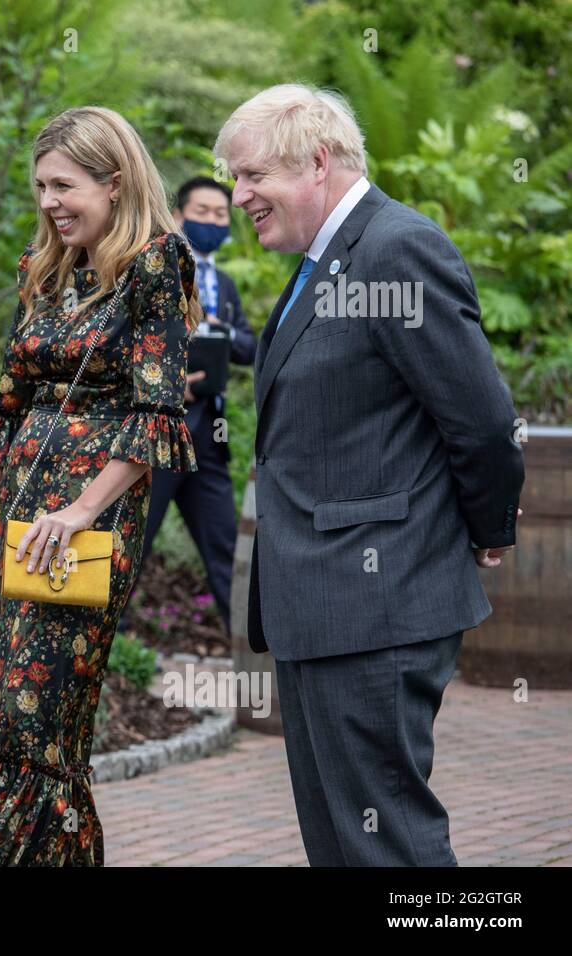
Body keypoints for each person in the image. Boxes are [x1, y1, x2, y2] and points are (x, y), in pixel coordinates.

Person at [217, 84, 525, 865]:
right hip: (323, 607)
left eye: (252, 175)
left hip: (375, 606)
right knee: (344, 846)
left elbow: (481, 419)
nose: (238, 195)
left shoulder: (395, 248)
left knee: (389, 848)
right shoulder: (326, 261)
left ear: (317, 161)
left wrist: (487, 528)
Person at [0, 106, 198, 866]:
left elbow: (157, 419)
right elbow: (3, 417)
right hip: (22, 514)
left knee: (40, 717)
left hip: (89, 520)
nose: (49, 202)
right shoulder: (45, 268)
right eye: (41, 186)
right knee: (3, 713)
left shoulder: (156, 264)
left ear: (115, 182)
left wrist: (78, 512)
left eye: (65, 186)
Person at [140, 175, 257, 631]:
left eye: (220, 215)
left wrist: (217, 330)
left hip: (210, 432)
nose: (211, 221)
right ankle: (107, 646)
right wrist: (167, 384)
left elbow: (250, 345)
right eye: (202, 212)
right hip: (161, 431)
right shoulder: (152, 271)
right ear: (177, 216)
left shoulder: (224, 286)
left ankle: (249, 647)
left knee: (224, 543)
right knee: (135, 536)